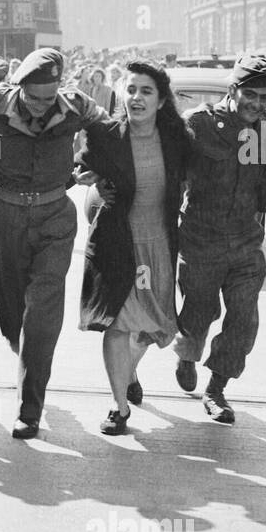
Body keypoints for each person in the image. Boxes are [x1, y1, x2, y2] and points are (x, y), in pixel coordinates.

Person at [0, 48, 114, 438]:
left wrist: (92, 164)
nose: (41, 107)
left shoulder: (74, 106)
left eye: (48, 98)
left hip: (55, 217)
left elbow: (111, 132)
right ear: (20, 88)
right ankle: (27, 363)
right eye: (34, 98)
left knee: (42, 312)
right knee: (13, 317)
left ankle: (29, 406)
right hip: (7, 216)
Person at [174, 55, 266, 422]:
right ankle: (187, 352)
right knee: (198, 312)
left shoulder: (263, 129)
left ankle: (217, 390)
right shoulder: (198, 124)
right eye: (250, 96)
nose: (257, 105)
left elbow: (259, 177)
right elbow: (173, 172)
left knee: (244, 319)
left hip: (245, 241)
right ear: (233, 90)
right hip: (201, 240)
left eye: (264, 98)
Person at [77, 60, 189, 435]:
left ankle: (129, 371)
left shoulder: (177, 139)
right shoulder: (105, 135)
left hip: (158, 245)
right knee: (117, 324)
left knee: (153, 326)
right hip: (116, 243)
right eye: (131, 90)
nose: (137, 98)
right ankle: (118, 404)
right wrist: (93, 184)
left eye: (146, 91)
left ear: (160, 101)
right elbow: (81, 170)